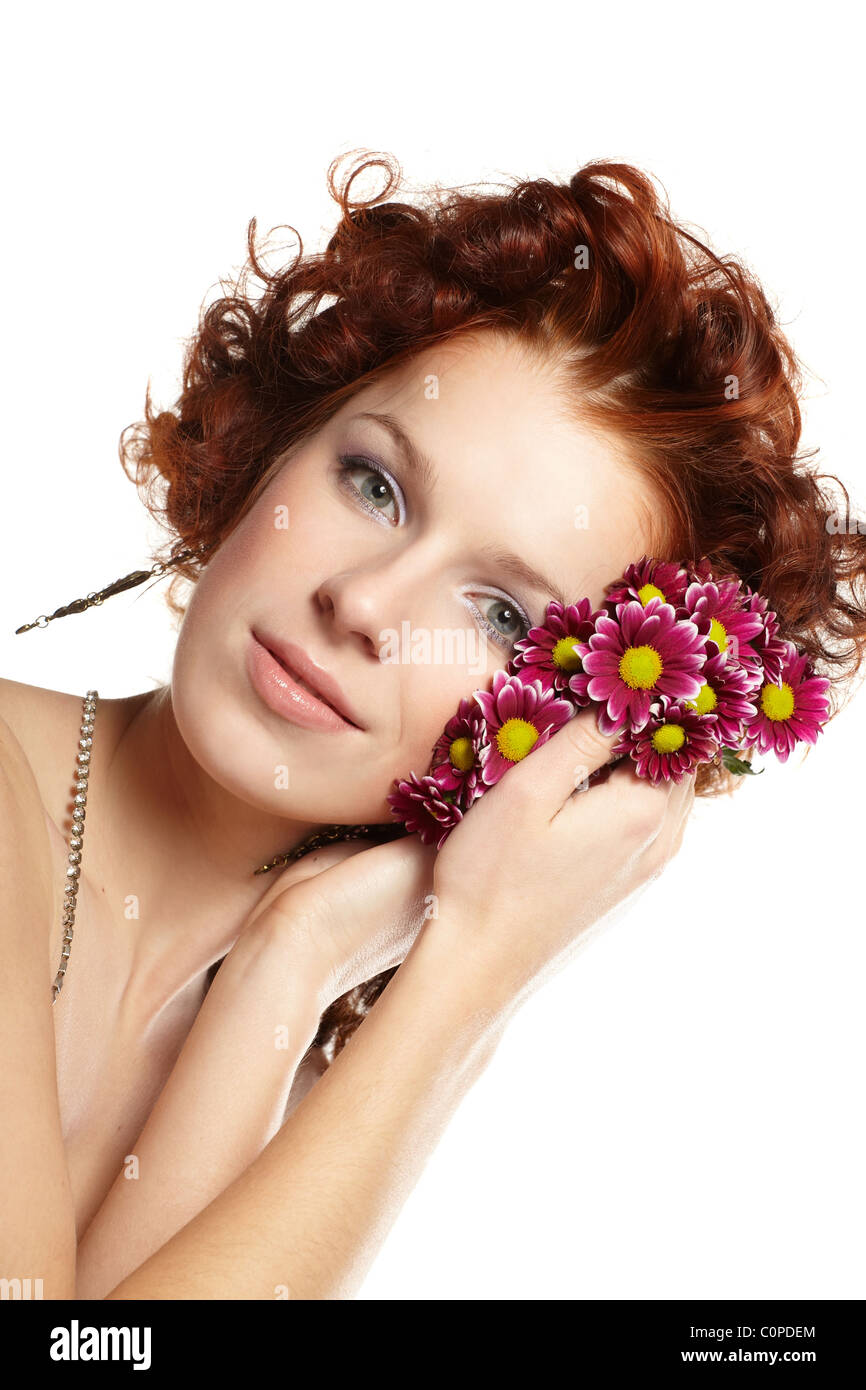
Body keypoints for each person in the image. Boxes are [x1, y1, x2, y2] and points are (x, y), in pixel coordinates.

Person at [3, 152, 864, 1301]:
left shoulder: (304, 1054)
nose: (360, 606)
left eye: (500, 613)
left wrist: (287, 961)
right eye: (372, 484)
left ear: (573, 735)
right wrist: (466, 984)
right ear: (270, 445)